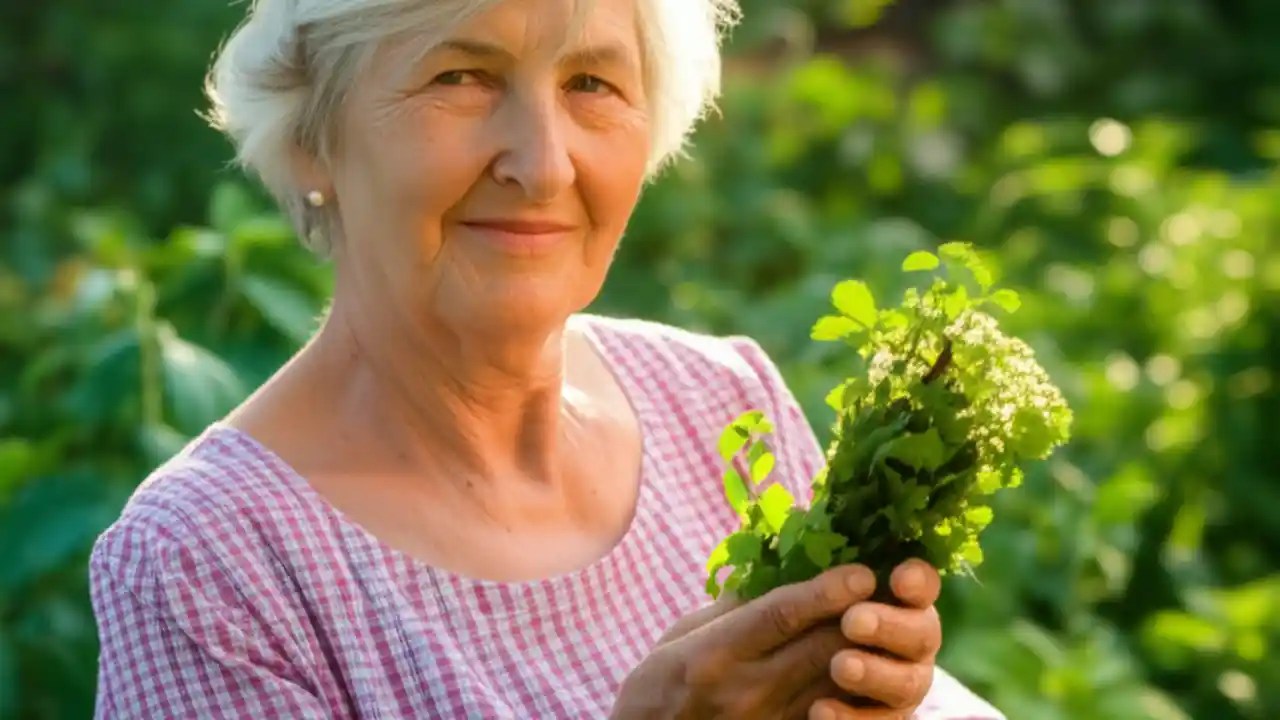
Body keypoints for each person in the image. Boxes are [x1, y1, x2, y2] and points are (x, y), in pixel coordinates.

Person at [87, 0, 1007, 717]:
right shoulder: (206, 560)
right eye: (461, 76)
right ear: (308, 135)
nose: (544, 162)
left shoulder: (721, 406)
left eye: (592, 86)